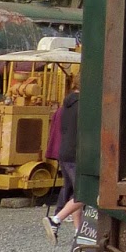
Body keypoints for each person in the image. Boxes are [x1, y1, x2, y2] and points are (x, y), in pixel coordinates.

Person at [43, 84, 82, 242]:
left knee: (74, 192)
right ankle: (56, 220)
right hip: (76, 154)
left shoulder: (65, 106)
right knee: (86, 192)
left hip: (64, 153)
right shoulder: (84, 105)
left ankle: (78, 232)